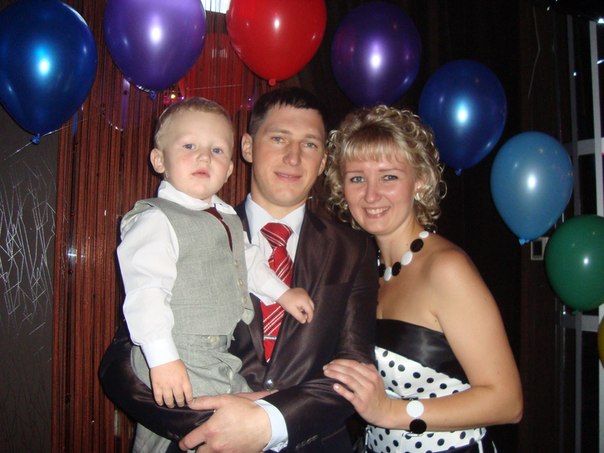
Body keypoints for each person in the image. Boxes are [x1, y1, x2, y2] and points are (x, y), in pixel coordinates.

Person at [98, 87, 379, 453]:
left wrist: (269, 423)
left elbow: (355, 369)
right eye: (278, 138)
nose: (293, 157)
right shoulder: (171, 223)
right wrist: (209, 425)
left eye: (309, 144)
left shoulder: (355, 249)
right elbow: (121, 360)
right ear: (247, 148)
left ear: (324, 160)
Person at [118, 97, 316, 452]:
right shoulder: (156, 220)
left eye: (217, 150)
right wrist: (162, 358)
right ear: (159, 160)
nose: (204, 157)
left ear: (229, 170)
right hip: (178, 352)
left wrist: (283, 293)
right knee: (180, 438)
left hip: (218, 356)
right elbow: (146, 292)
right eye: (189, 146)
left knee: (247, 421)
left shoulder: (225, 218)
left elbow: (249, 262)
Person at [323, 105, 523, 453]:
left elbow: (508, 403)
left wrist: (391, 412)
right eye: (357, 178)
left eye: (388, 177)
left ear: (420, 181)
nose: (371, 194)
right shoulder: (366, 270)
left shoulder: (446, 269)